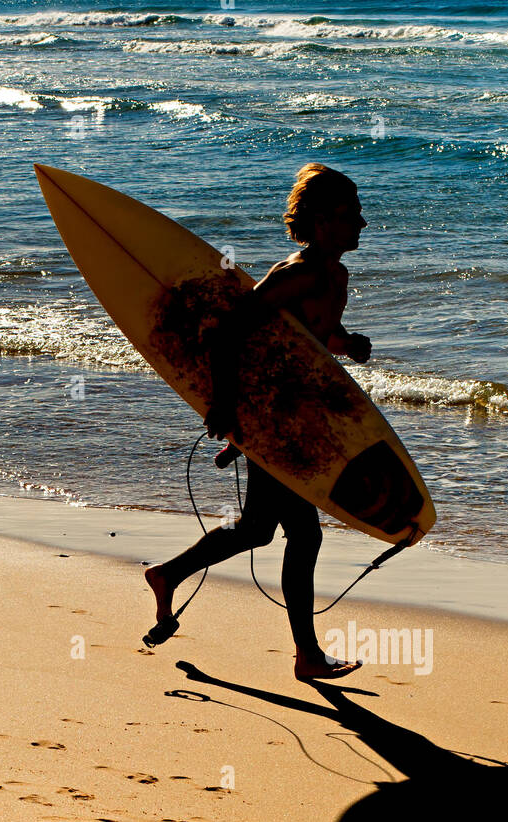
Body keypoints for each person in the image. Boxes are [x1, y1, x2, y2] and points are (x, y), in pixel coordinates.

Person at [144, 164, 371, 682]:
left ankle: (168, 574)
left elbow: (305, 339)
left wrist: (347, 343)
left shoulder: (334, 275)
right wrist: (227, 410)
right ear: (316, 222)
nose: (361, 223)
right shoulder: (296, 273)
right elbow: (230, 335)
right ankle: (307, 656)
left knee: (258, 529)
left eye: (358, 213)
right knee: (301, 535)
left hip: (288, 419)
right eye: (347, 215)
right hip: (273, 418)